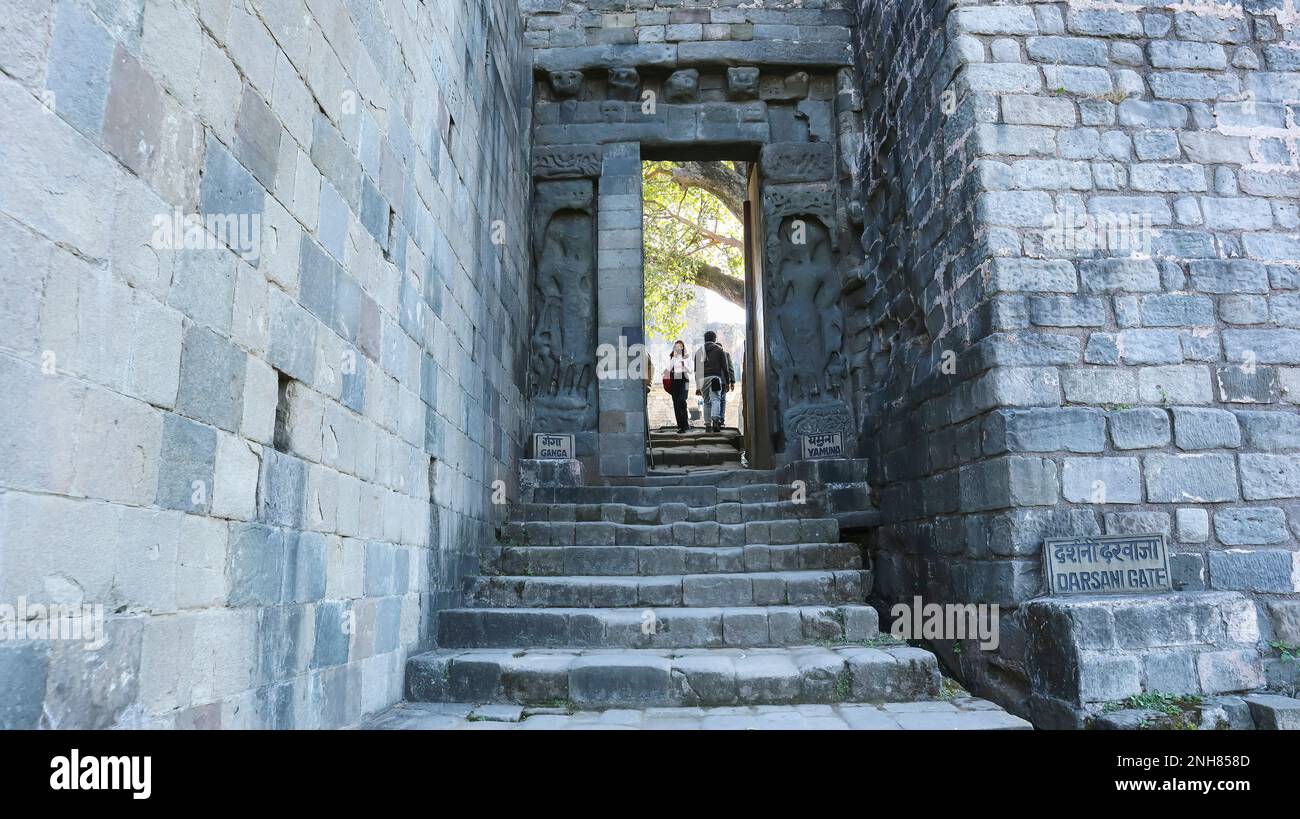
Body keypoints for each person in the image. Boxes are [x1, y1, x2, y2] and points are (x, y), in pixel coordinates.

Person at [693, 330, 733, 433]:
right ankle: (715, 421)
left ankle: (707, 425)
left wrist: (698, 387)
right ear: (714, 339)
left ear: (704, 339)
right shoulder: (719, 350)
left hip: (702, 380)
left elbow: (696, 371)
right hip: (715, 378)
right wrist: (727, 382)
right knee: (716, 399)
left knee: (706, 402)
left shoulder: (699, 351)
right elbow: (725, 368)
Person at [663, 340, 693, 433]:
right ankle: (681, 426)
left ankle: (685, 425)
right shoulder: (673, 357)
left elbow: (690, 371)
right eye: (676, 346)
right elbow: (668, 369)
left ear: (683, 347)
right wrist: (673, 358)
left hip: (685, 379)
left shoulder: (687, 357)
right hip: (675, 380)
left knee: (682, 400)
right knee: (676, 403)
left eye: (680, 346)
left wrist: (684, 365)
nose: (678, 348)